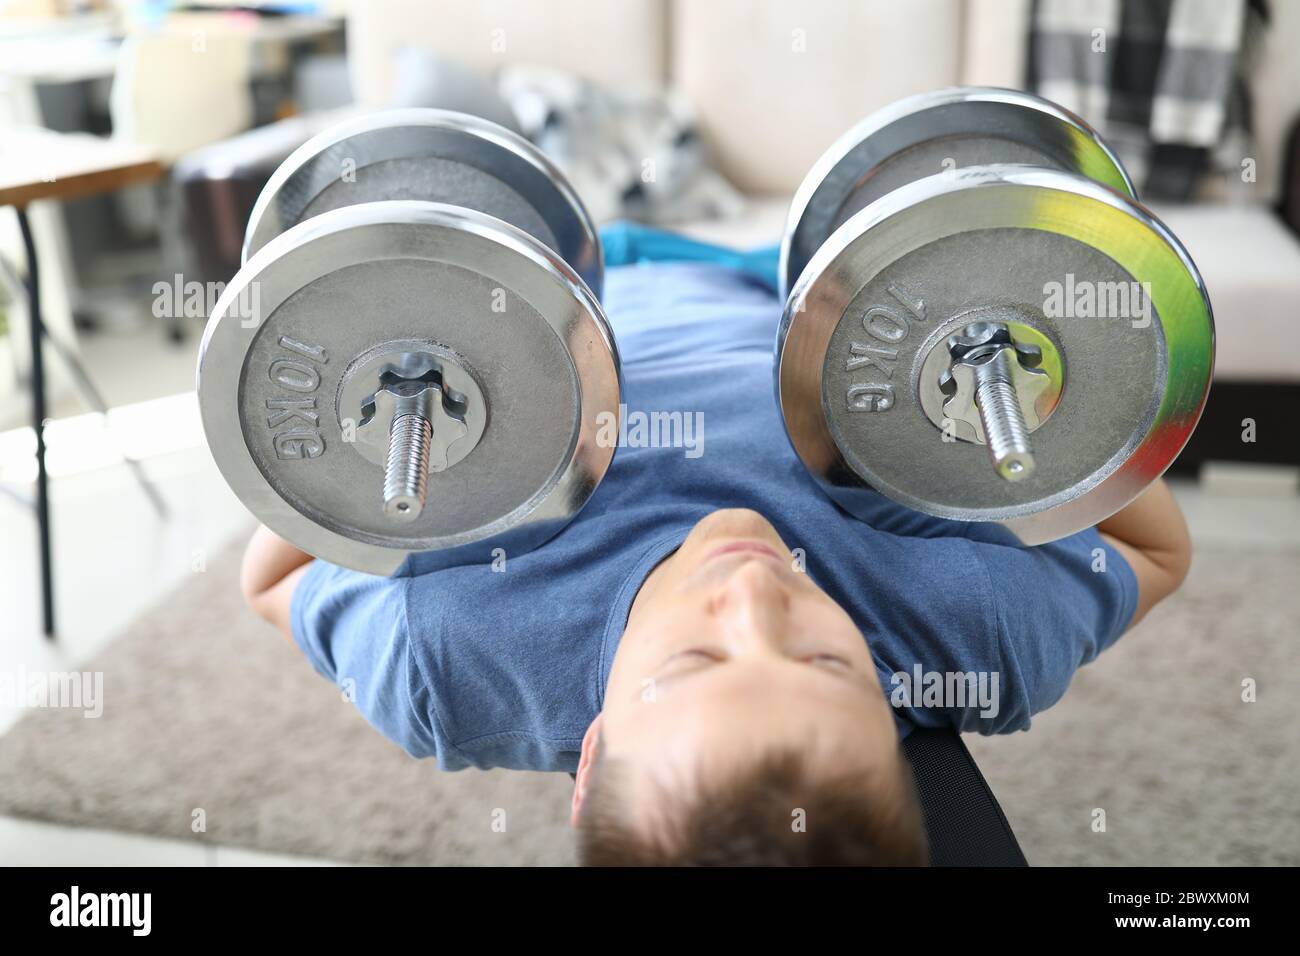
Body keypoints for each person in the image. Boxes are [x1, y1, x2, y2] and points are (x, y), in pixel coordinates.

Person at [242, 227, 1191, 865]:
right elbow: (1158, 557)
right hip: (773, 276)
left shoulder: (449, 657)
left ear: (594, 757)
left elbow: (273, 575)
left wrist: (359, 474)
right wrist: (999, 469)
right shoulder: (967, 628)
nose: (753, 595)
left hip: (514, 284)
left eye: (697, 660)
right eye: (830, 661)